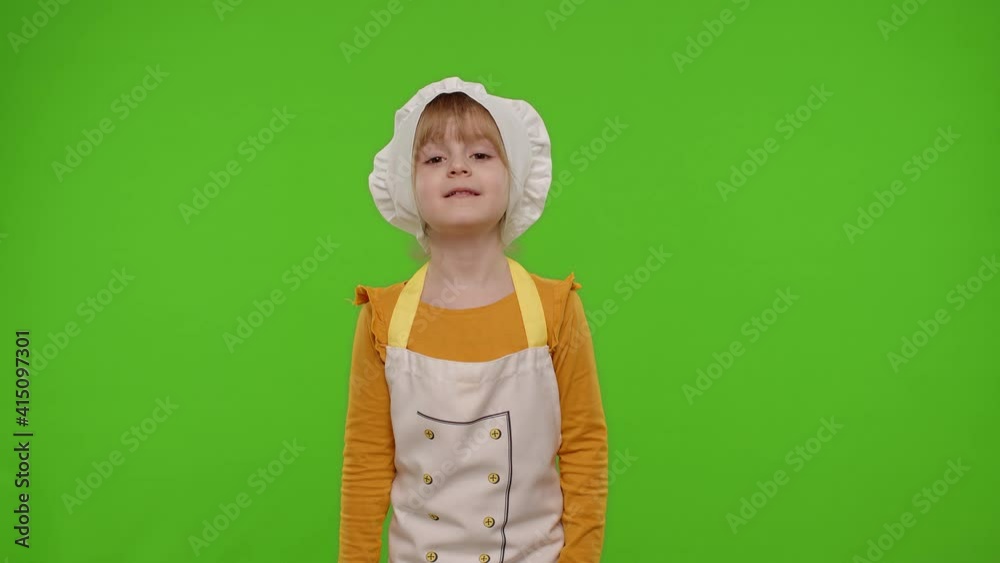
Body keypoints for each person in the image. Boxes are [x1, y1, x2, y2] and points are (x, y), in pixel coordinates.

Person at [339, 76, 607, 563]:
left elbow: (586, 448)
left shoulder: (555, 309)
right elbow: (366, 461)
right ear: (407, 184)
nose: (458, 167)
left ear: (516, 178)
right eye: (435, 158)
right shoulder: (385, 318)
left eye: (481, 155)